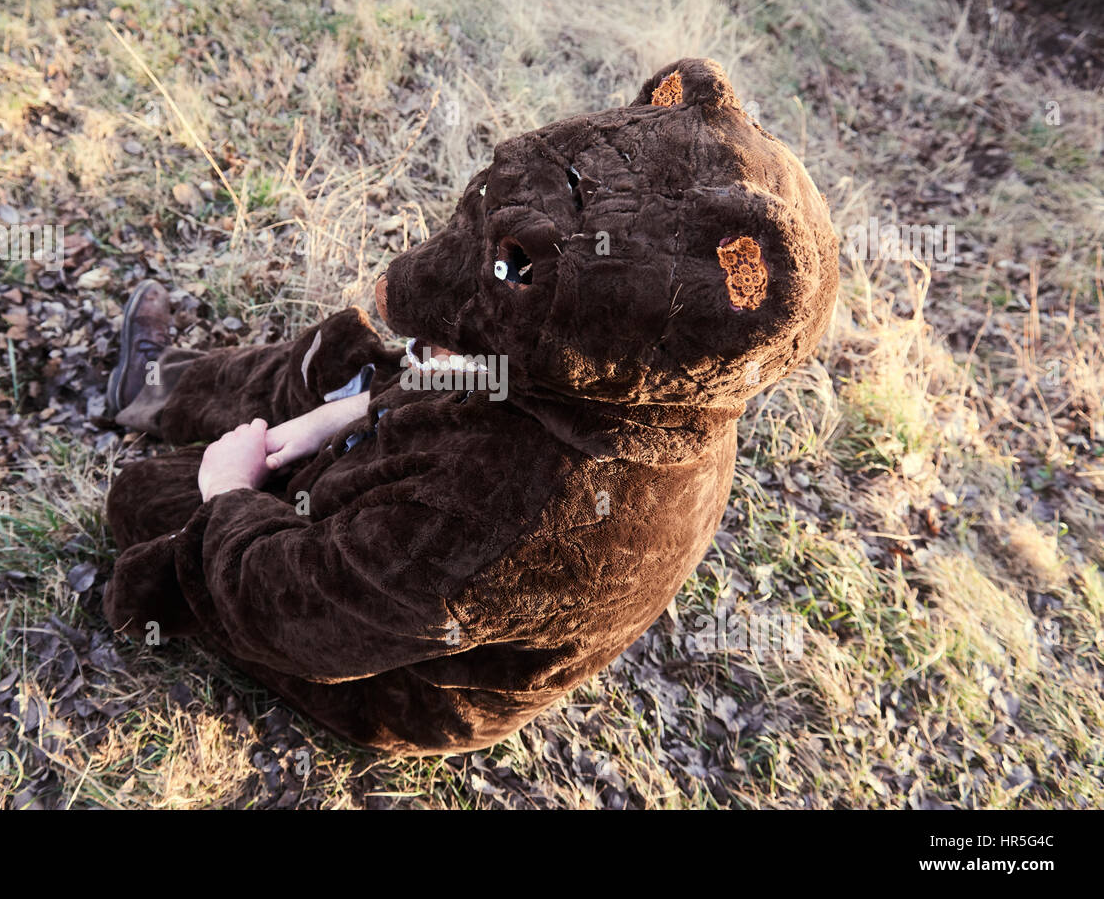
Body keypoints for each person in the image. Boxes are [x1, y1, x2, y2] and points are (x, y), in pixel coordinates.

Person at [99, 58, 840, 755]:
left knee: (144, 503)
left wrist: (227, 496)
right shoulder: (644, 381)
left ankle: (195, 561)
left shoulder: (521, 513)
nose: (395, 290)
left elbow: (322, 617)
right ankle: (159, 388)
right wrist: (350, 415)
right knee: (345, 361)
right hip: (444, 477)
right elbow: (486, 371)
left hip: (393, 670)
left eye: (515, 266)